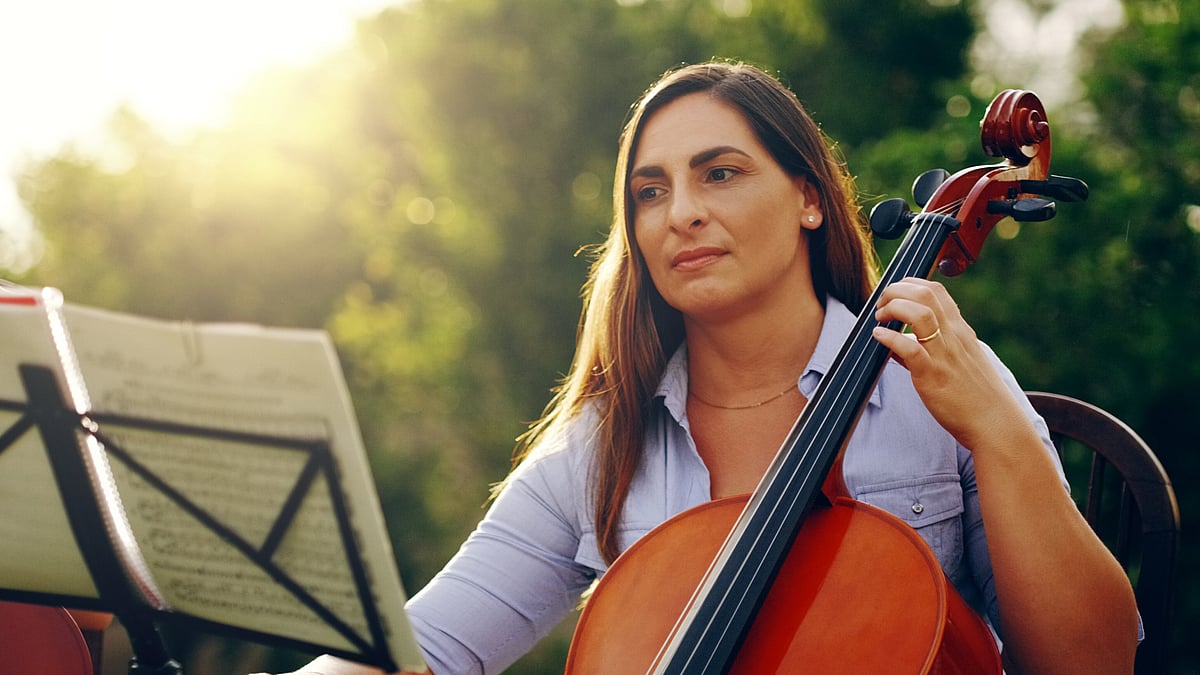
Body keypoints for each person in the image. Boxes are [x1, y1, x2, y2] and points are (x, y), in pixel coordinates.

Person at [267, 61, 1139, 675]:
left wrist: (998, 430)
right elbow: (423, 647)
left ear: (808, 198)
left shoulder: (935, 382)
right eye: (650, 191)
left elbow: (1094, 662)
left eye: (719, 174)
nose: (680, 212)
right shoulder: (604, 440)